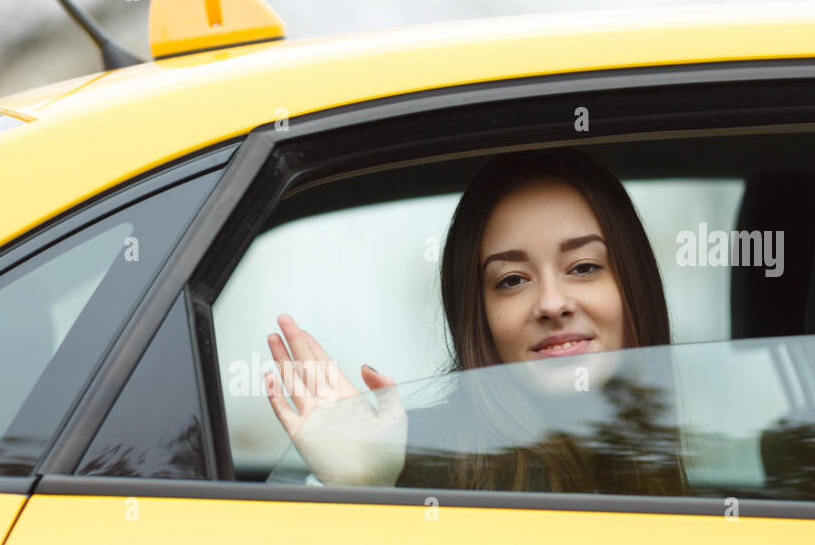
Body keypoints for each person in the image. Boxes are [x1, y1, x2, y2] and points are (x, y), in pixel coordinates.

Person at [263, 148, 685, 494]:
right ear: (477, 315)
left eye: (584, 267)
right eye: (513, 279)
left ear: (633, 285)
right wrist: (363, 491)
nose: (553, 304)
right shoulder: (418, 462)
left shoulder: (657, 450)